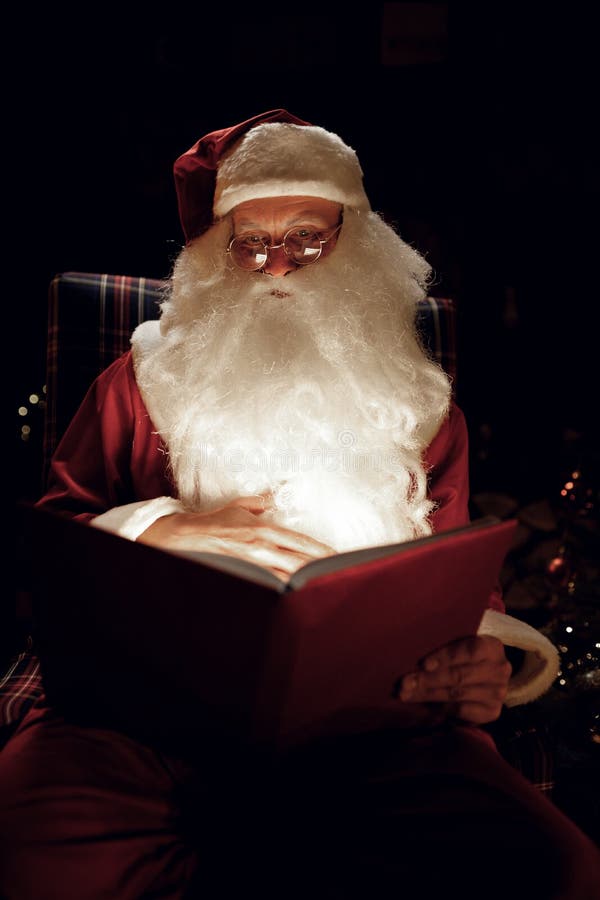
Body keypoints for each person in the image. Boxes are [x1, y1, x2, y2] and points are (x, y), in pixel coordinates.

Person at [1, 109, 599, 898]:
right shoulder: (140, 383)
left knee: (551, 866)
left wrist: (481, 662)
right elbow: (51, 549)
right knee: (28, 847)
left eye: (307, 239)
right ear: (219, 254)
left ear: (358, 247)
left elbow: (465, 598)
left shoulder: (418, 408)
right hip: (145, 719)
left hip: (371, 733)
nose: (276, 266)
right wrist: (163, 528)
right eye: (249, 243)